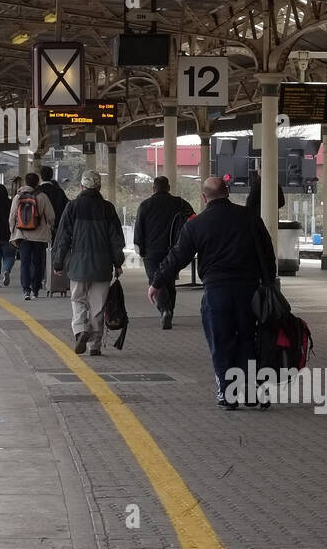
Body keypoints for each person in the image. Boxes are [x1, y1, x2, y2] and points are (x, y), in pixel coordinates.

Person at [148, 175, 275, 410]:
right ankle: (249, 392)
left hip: (217, 291)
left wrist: (157, 282)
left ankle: (228, 394)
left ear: (204, 197)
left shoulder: (197, 224)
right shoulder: (249, 218)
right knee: (248, 339)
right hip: (249, 290)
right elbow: (267, 252)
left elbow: (178, 256)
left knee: (221, 341)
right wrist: (270, 284)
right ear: (227, 192)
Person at [51, 170, 124, 356]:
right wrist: (118, 263)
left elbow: (62, 238)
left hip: (78, 265)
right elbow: (116, 239)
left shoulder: (72, 207)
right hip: (102, 265)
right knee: (98, 305)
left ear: (81, 186)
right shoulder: (108, 208)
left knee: (78, 300)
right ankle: (95, 345)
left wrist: (58, 263)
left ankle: (82, 330)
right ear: (99, 187)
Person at [133, 176, 194, 330]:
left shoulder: (145, 205)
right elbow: (193, 219)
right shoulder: (179, 203)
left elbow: (139, 229)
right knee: (169, 281)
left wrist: (140, 248)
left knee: (156, 281)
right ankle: (170, 311)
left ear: (153, 188)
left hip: (151, 252)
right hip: (174, 250)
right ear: (168, 188)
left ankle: (164, 310)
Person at [9, 170, 56, 301]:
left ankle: (26, 290)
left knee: (25, 262)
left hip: (23, 235)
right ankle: (35, 289)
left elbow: (12, 217)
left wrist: (12, 231)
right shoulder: (42, 196)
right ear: (38, 182)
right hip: (40, 235)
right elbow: (51, 216)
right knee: (38, 262)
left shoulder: (18, 197)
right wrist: (50, 227)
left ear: (26, 182)